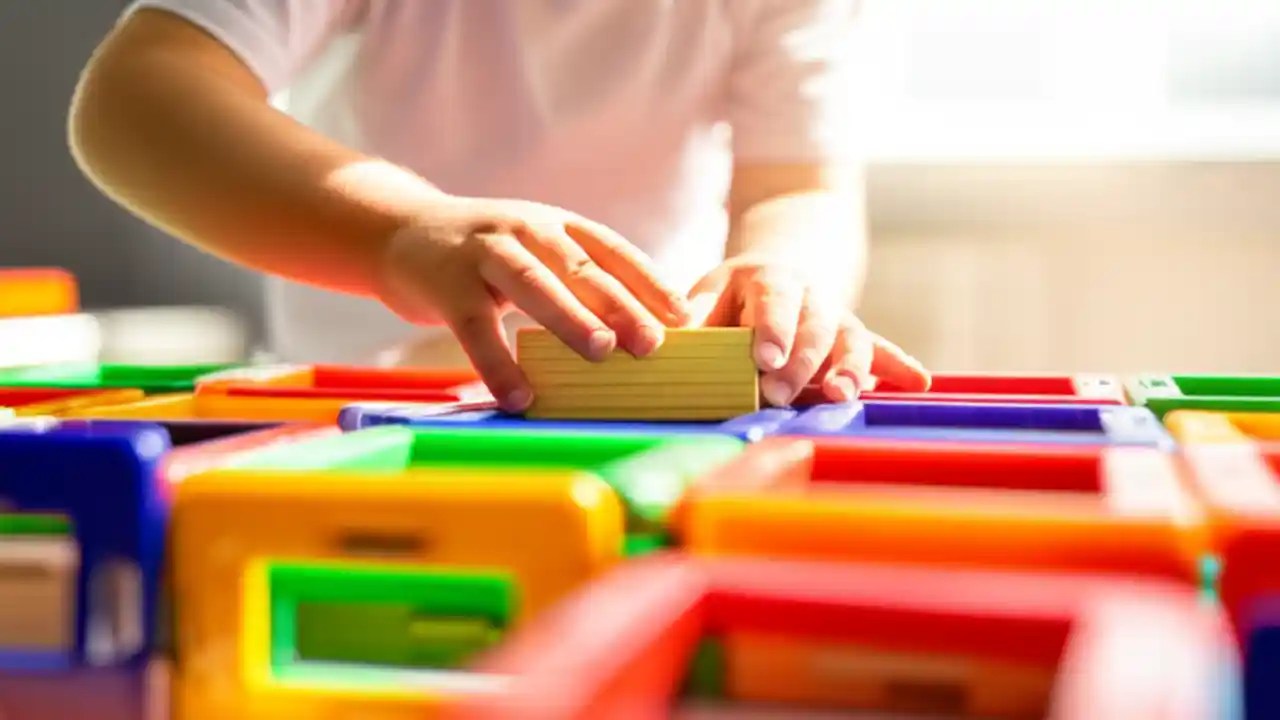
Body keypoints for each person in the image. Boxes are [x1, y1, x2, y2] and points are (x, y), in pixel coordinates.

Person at [70, 0, 930, 413]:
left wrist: (786, 280)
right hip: (363, 397)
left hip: (652, 401)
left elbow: (796, 188)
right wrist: (401, 233)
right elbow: (135, 99)